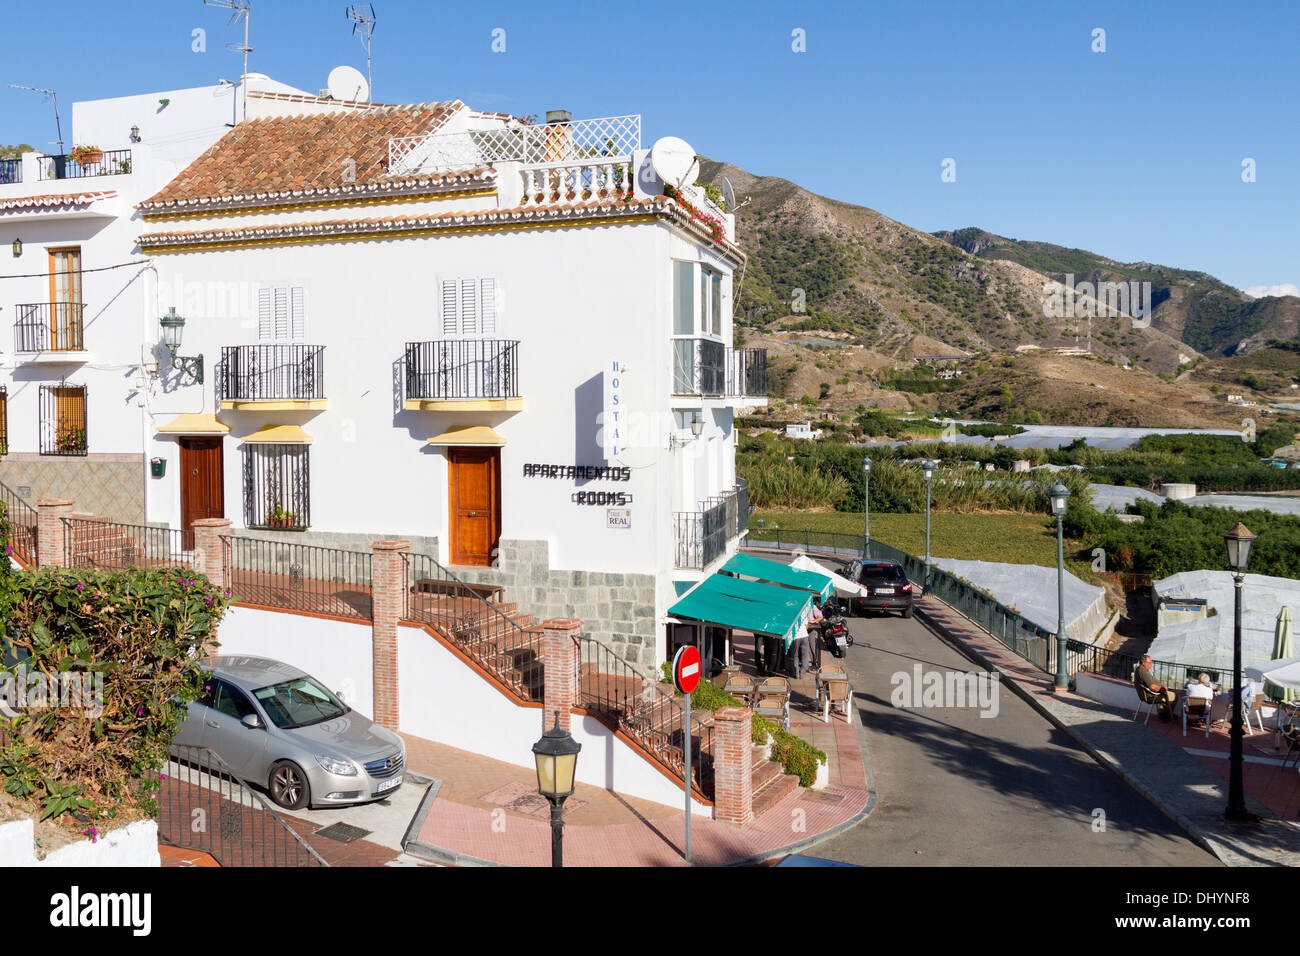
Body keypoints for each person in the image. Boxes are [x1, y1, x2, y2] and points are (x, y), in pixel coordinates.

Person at [1136, 654, 1177, 721]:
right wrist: (1163, 689)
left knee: (1167, 695)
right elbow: (1152, 686)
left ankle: (1164, 713)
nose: (1151, 664)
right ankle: (1166, 715)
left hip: (1148, 695)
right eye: (1149, 663)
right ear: (1143, 663)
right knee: (1174, 696)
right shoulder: (1142, 672)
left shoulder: (1139, 669)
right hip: (1152, 696)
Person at [807, 596, 825, 670]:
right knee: (805, 646)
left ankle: (814, 663)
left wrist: (813, 621)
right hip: (803, 629)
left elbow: (821, 616)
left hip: (811, 629)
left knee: (812, 646)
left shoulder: (812, 607)